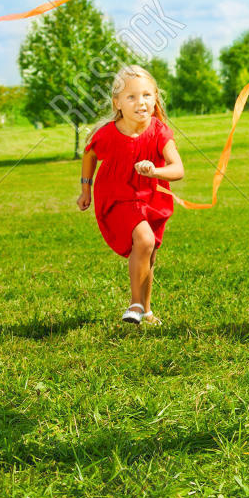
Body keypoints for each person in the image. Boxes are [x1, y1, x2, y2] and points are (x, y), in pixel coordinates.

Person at [78, 65, 184, 325]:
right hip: (117, 197)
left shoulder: (159, 131)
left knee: (149, 252)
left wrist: (155, 170)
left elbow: (178, 169)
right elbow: (89, 155)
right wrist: (85, 189)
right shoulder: (107, 134)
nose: (141, 102)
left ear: (155, 98)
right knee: (144, 240)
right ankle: (135, 304)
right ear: (118, 103)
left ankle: (146, 311)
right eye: (132, 97)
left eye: (147, 95)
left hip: (150, 198)